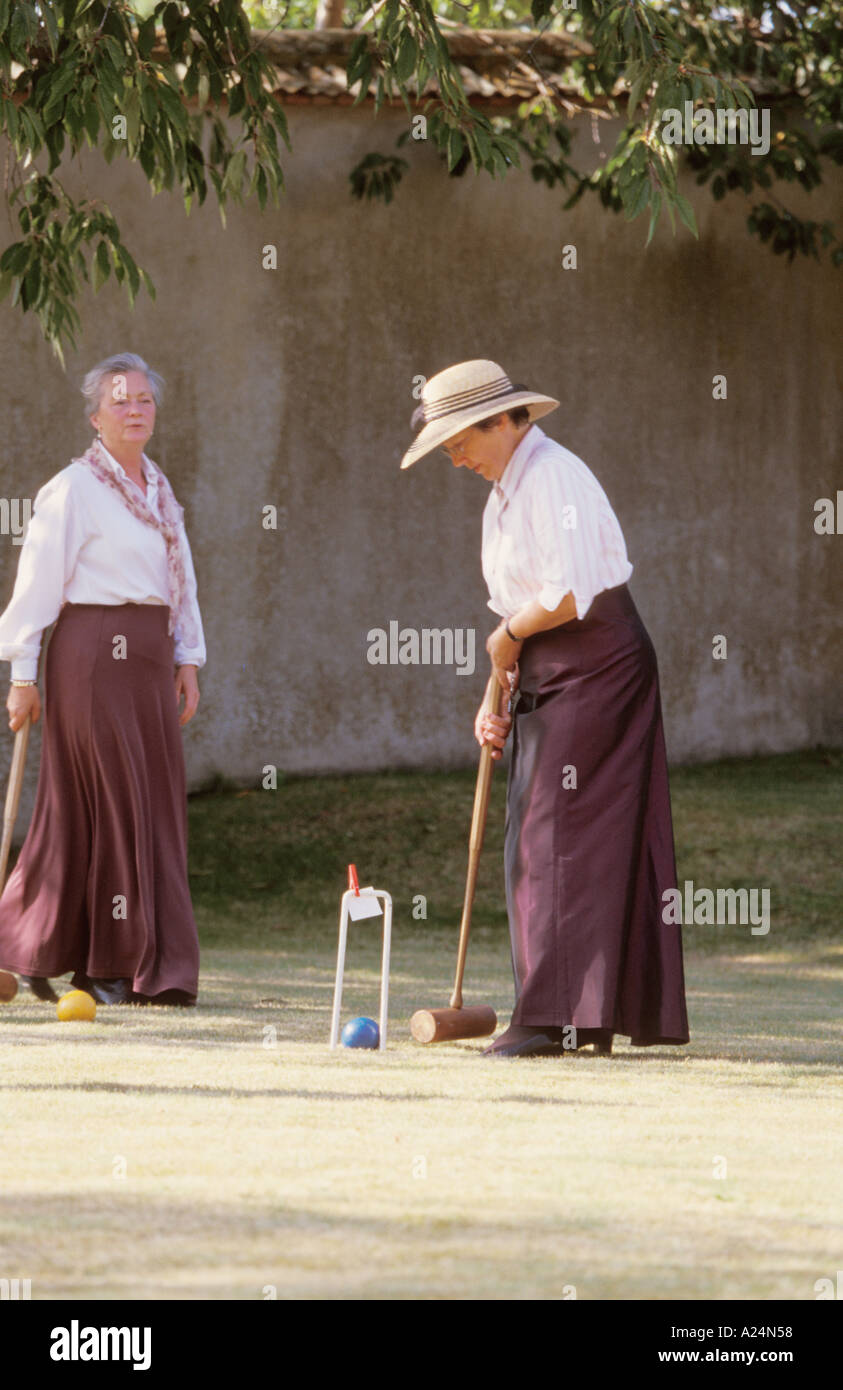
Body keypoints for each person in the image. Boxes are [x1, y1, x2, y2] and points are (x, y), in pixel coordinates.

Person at [401, 359, 689, 1058]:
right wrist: (492, 694)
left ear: (501, 420)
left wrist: (507, 640)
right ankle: (575, 1015)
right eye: (445, 447)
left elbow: (566, 596)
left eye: (459, 440)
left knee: (556, 837)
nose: (455, 457)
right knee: (539, 836)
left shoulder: (552, 476)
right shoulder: (504, 490)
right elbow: (511, 616)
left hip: (596, 666)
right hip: (547, 664)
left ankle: (553, 1018)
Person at [0, 352, 205, 1005]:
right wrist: (23, 674)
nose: (135, 409)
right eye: (120, 400)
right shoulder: (73, 489)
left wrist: (188, 659)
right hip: (91, 656)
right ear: (96, 417)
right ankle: (115, 964)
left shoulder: (161, 490)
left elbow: (182, 584)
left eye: (144, 398)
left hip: (148, 658)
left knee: (147, 804)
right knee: (115, 800)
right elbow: (36, 587)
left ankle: (34, 948)